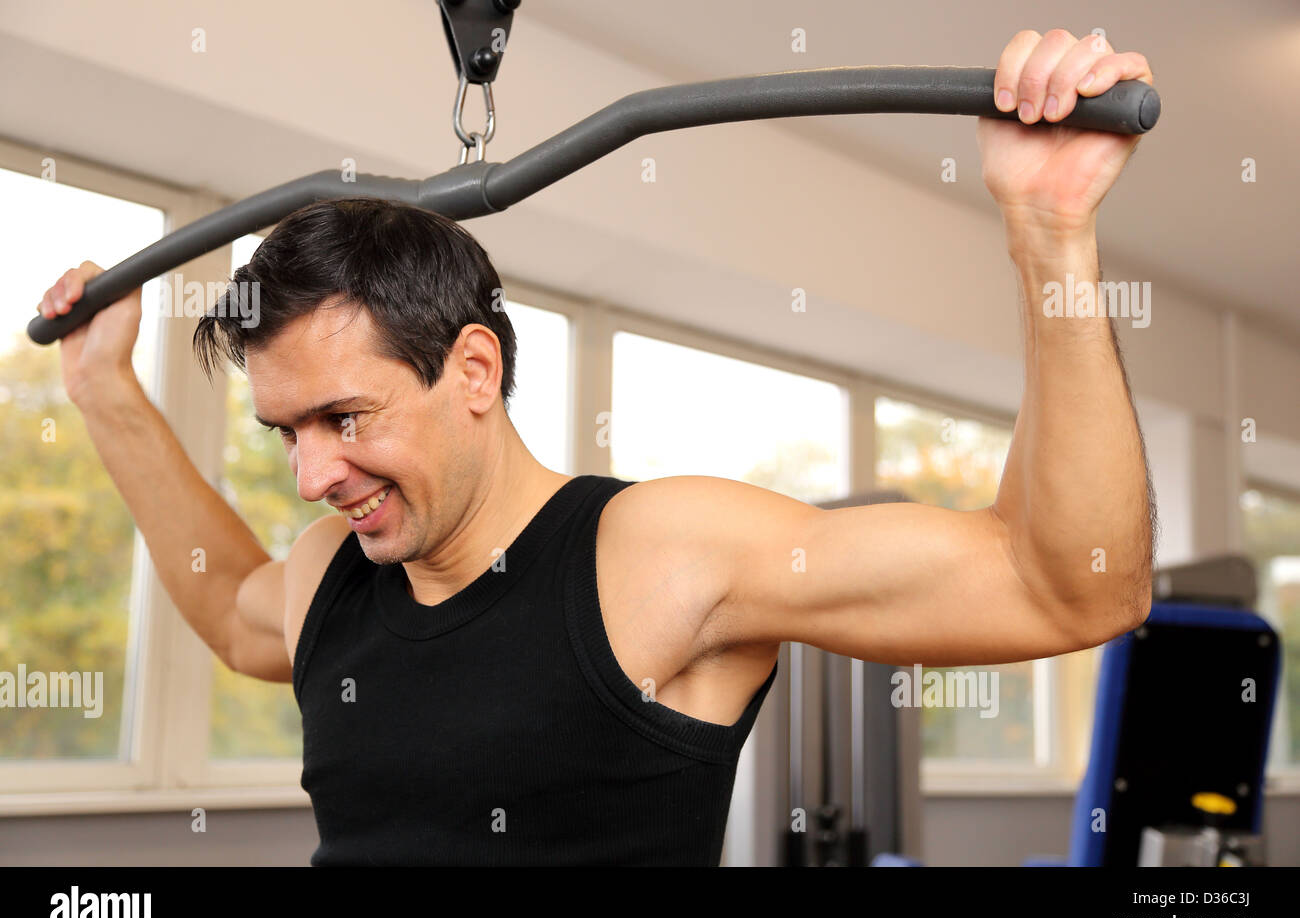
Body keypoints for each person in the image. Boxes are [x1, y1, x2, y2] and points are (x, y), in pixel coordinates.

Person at [36, 29, 1156, 865]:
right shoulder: (336, 572)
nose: (313, 475)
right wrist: (101, 388)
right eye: (286, 432)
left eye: (345, 418)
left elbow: (1071, 590)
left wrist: (1049, 235)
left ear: (473, 370)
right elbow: (234, 609)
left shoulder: (656, 556)